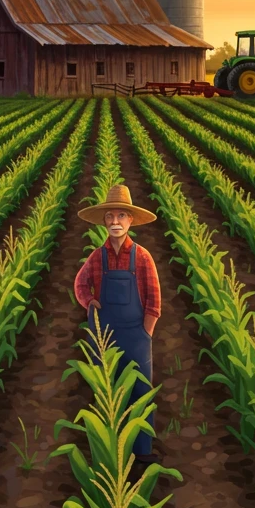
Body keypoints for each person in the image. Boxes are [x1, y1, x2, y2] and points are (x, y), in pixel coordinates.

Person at [74, 184, 161, 463]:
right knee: (108, 390)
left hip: (136, 334)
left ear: (130, 221)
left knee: (140, 390)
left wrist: (145, 332)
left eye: (121, 216)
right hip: (105, 334)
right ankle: (111, 451)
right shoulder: (97, 257)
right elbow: (79, 283)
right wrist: (89, 301)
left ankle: (143, 452)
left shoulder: (142, 256)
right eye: (110, 216)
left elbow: (154, 300)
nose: (115, 222)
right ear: (103, 221)